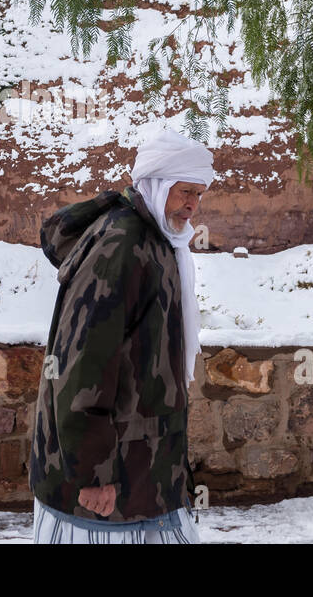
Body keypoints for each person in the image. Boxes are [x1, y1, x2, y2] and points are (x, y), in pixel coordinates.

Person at [29, 126, 214, 543]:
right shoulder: (123, 244)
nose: (192, 204)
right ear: (157, 183)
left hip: (146, 474)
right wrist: (93, 472)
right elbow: (81, 363)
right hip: (105, 488)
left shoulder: (158, 241)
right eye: (185, 190)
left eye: (198, 194)